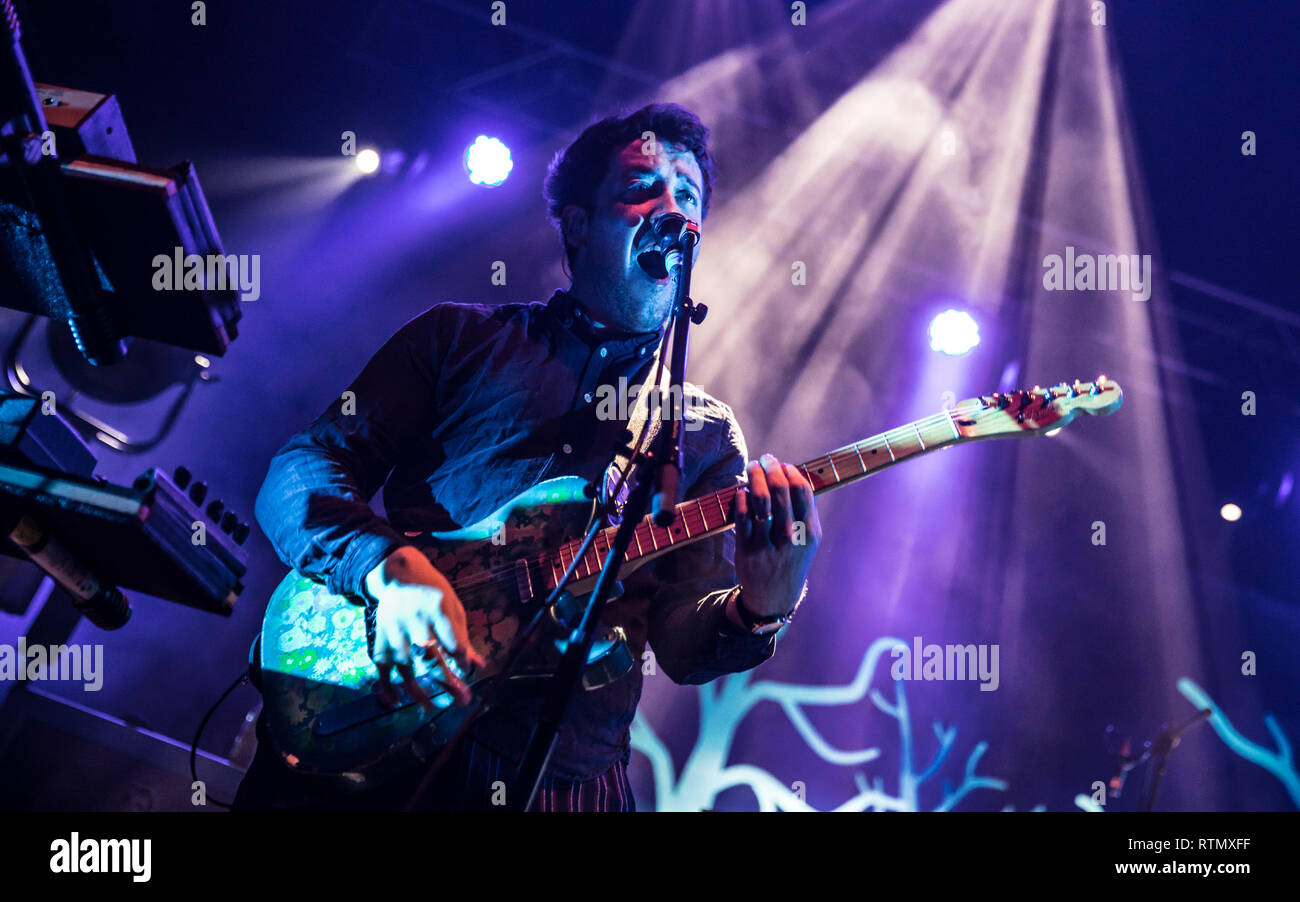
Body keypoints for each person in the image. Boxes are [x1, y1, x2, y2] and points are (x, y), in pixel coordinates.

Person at [233, 102, 821, 812]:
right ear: (577, 225)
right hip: (368, 719)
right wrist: (386, 570)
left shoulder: (701, 434)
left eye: (688, 196)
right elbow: (301, 470)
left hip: (555, 779)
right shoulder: (460, 340)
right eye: (642, 189)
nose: (672, 210)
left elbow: (682, 641)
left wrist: (763, 606)